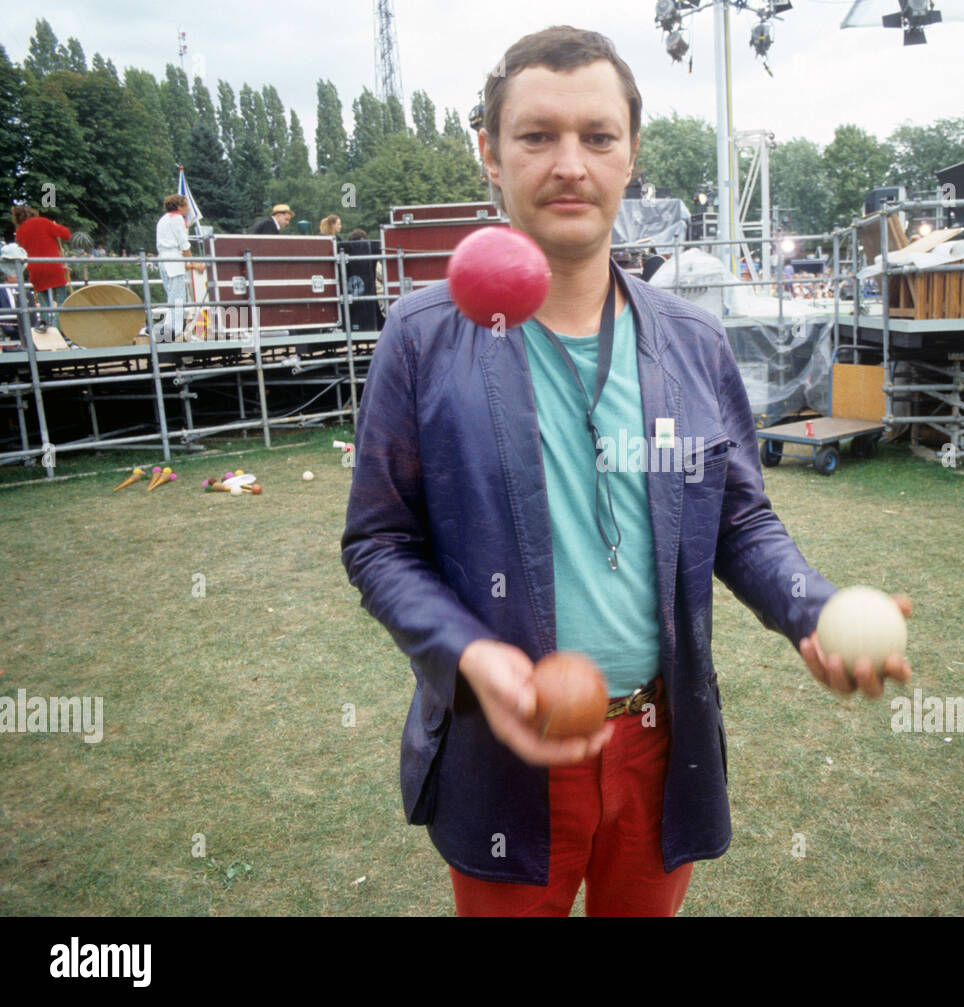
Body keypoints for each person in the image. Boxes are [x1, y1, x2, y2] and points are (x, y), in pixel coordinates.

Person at [340, 25, 910, 917]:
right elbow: (379, 543)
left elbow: (739, 521)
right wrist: (472, 656)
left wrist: (811, 606)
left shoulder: (691, 341)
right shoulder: (423, 337)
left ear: (632, 154)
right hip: (503, 757)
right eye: (537, 135)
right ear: (490, 153)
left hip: (661, 744)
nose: (570, 162)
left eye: (597, 136)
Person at [12, 205, 70, 333]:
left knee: (43, 303)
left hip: (35, 269)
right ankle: (57, 329)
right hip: (54, 266)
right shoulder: (44, 222)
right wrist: (57, 226)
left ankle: (44, 326)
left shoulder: (20, 231)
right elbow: (66, 235)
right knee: (61, 301)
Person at [154, 194, 201, 341]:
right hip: (173, 260)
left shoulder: (163, 219)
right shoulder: (177, 219)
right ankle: (174, 330)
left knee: (172, 296)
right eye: (186, 205)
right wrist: (192, 262)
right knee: (178, 297)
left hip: (163, 259)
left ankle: (169, 329)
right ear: (179, 207)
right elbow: (183, 243)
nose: (188, 208)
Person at [1, 242, 28, 341]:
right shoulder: (1, 290)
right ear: (7, 275)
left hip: (21, 320)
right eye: (14, 272)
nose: (17, 275)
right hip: (7, 322)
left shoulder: (20, 289)